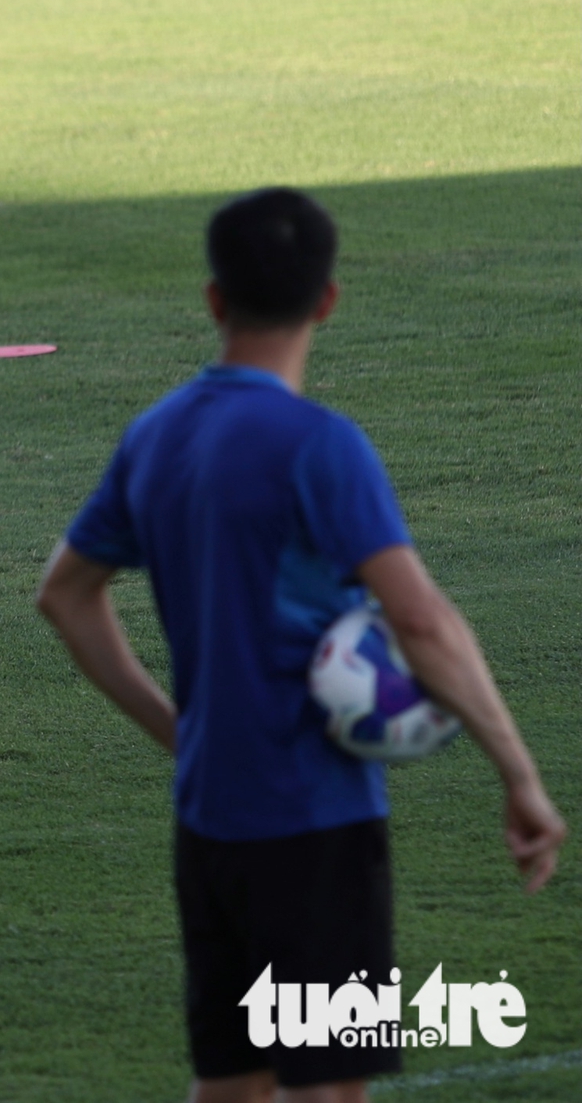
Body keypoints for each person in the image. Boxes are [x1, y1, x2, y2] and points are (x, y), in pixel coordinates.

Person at [35, 188, 566, 1102]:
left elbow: (66, 595)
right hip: (315, 823)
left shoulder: (156, 436)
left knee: (231, 1084)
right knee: (327, 1088)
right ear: (328, 300)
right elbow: (424, 622)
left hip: (211, 822)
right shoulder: (322, 446)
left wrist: (178, 729)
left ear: (213, 300)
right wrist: (519, 774)